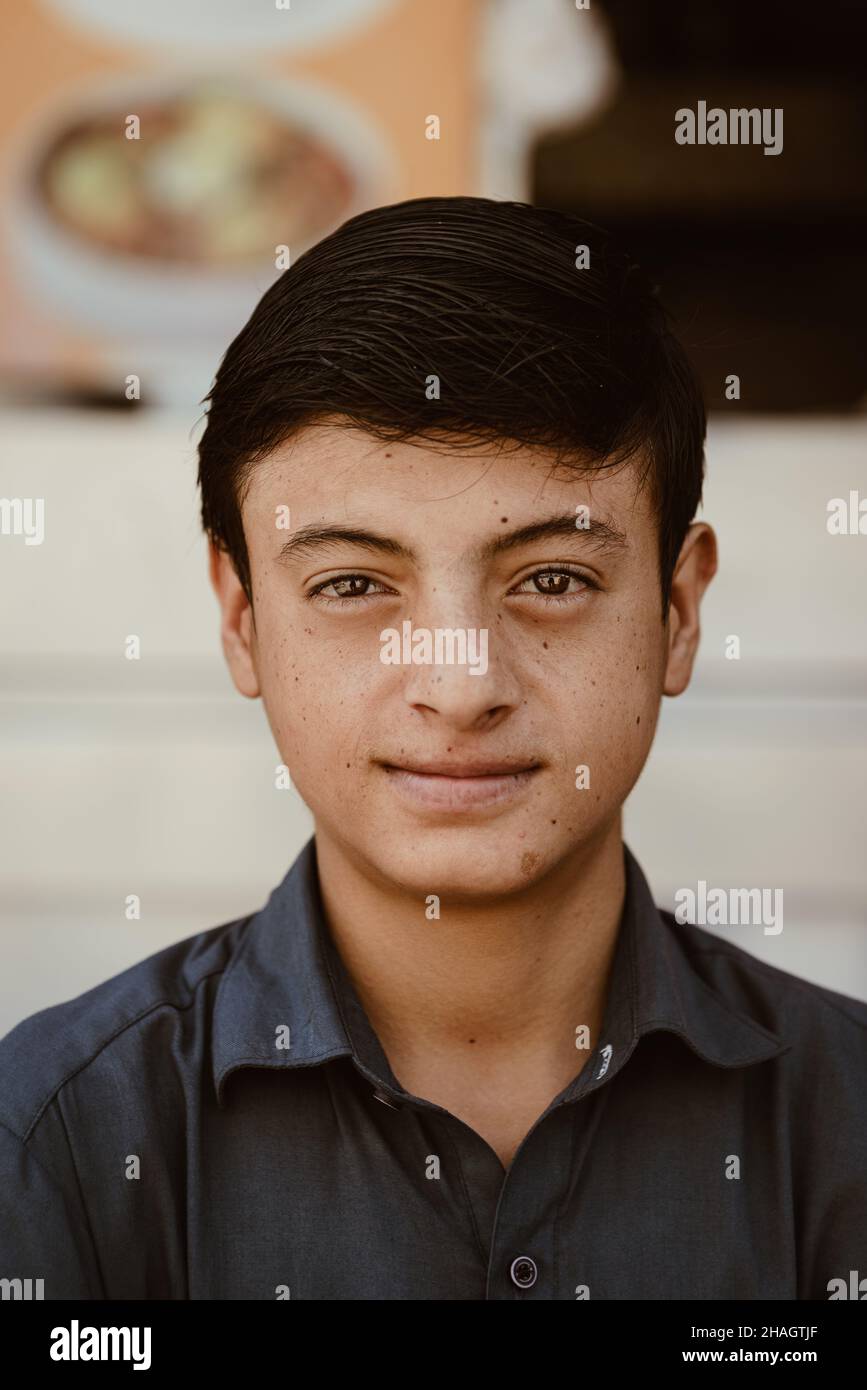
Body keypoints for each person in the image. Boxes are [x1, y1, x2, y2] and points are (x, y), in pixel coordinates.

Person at [1, 197, 865, 1300]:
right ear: (241, 618)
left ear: (678, 612)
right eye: (353, 585)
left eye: (553, 580)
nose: (461, 685)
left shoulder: (846, 1124)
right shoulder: (56, 1139)